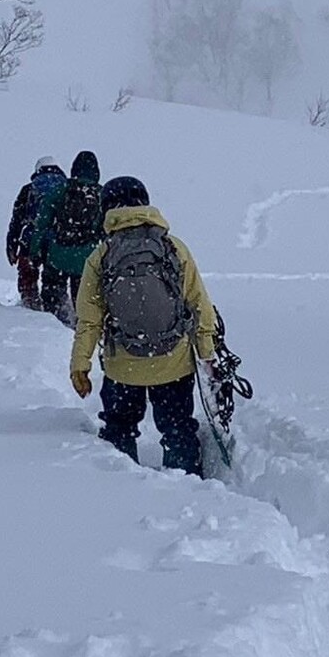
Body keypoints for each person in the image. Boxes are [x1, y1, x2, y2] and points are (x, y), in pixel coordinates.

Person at [68, 176, 217, 476]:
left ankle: (121, 489)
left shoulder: (101, 256)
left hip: (123, 366)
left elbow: (89, 320)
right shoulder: (173, 247)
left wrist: (79, 365)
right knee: (177, 428)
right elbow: (199, 303)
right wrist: (207, 353)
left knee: (120, 426)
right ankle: (190, 488)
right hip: (173, 361)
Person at [33, 150, 104, 324]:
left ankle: (54, 324)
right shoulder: (102, 194)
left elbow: (41, 224)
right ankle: (81, 327)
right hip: (87, 258)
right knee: (83, 297)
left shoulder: (60, 190)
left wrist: (35, 251)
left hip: (58, 254)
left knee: (53, 294)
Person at [7, 157, 65, 310]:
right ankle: (56, 309)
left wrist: (11, 246)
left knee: (28, 276)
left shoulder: (28, 189)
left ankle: (30, 306)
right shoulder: (65, 188)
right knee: (53, 279)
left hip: (29, 240)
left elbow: (17, 221)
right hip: (57, 241)